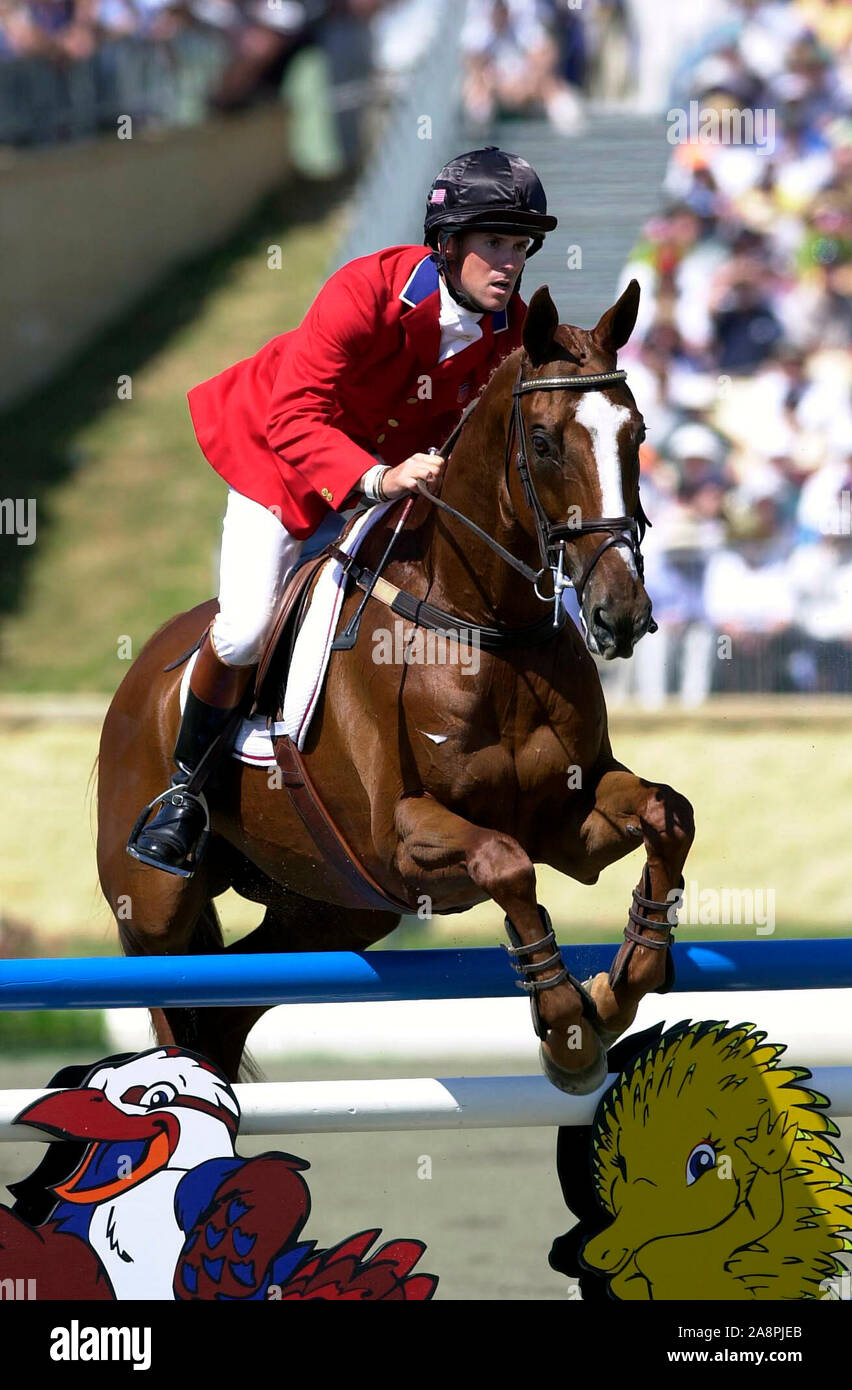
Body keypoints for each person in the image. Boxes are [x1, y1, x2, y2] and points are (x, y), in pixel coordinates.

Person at [128, 145, 557, 875]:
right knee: (243, 631)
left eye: (519, 246)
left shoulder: (512, 335)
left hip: (396, 488)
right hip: (284, 464)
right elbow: (294, 418)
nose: (509, 263)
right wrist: (377, 477)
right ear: (448, 244)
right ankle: (183, 795)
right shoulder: (366, 290)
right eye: (493, 243)